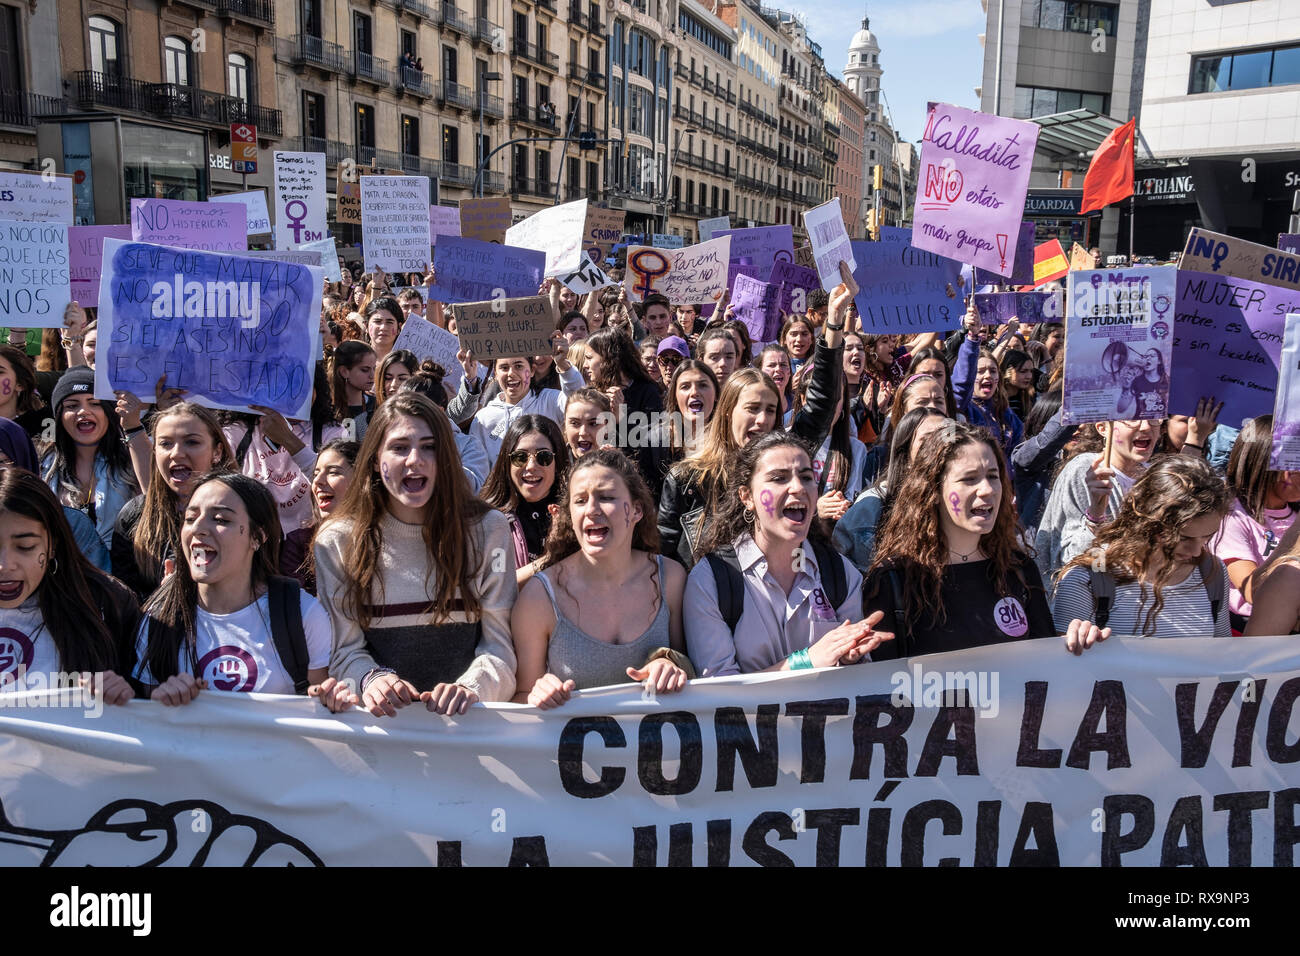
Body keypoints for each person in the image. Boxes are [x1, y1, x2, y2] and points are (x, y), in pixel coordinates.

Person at [314, 393, 517, 717]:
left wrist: (471, 688)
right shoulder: (337, 541)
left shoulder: (489, 531)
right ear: (375, 459)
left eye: (429, 446)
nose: (414, 459)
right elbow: (343, 652)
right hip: (385, 739)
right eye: (399, 447)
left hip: (470, 736)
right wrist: (371, 680)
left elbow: (501, 648)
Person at [133, 474, 351, 709]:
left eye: (220, 519)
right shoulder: (159, 620)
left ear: (257, 537)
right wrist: (162, 699)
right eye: (190, 517)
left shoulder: (302, 613)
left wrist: (331, 699)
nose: (198, 529)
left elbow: (319, 707)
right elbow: (146, 721)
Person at [685, 432, 889, 676]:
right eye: (779, 478)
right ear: (747, 497)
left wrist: (848, 659)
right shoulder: (711, 580)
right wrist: (806, 661)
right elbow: (720, 694)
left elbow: (859, 685)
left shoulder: (840, 573)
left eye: (806, 477)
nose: (798, 487)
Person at [863, 422, 1056, 658]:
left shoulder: (1019, 568)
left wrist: (1081, 643)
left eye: (993, 476)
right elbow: (880, 683)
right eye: (969, 479)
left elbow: (1047, 661)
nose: (987, 490)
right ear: (932, 491)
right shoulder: (893, 580)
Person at [511, 449, 689, 706]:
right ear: (569, 516)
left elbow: (701, 678)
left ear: (637, 510)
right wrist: (536, 695)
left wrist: (671, 663)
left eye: (606, 497)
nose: (592, 509)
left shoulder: (671, 579)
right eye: (580, 501)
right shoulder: (539, 597)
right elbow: (516, 702)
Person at [1053, 455, 1231, 642]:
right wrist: (1079, 642)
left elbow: (1222, 656)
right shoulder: (1090, 577)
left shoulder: (1212, 572)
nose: (1196, 551)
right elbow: (1065, 664)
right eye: (1184, 538)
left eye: (1207, 537)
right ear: (1148, 522)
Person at [0, 466, 139, 703]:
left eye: (25, 547)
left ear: (52, 544)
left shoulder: (106, 605)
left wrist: (124, 693)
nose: (5, 566)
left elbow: (148, 712)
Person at [112, 403, 235, 602]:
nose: (176, 453)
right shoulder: (134, 515)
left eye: (192, 442)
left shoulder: (245, 510)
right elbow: (124, 602)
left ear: (217, 451)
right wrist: (162, 601)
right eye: (166, 444)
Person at [40, 367, 150, 557]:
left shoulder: (133, 457)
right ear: (59, 415)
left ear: (108, 411)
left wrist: (133, 428)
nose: (83, 411)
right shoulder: (43, 464)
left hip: (121, 577)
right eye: (71, 406)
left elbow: (155, 495)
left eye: (94, 403)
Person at [1033, 417, 1157, 581]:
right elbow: (1072, 562)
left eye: (1154, 419)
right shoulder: (1086, 471)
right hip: (1097, 599)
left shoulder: (1157, 476)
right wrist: (1095, 517)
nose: (1146, 426)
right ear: (1102, 428)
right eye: (1132, 419)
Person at [1209, 415, 1300, 630]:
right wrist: (1293, 539)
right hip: (1250, 631)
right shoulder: (1231, 518)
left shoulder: (1294, 511)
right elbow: (1252, 591)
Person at [834, 407, 948, 574]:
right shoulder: (873, 504)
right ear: (905, 449)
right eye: (927, 440)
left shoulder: (962, 499)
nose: (939, 447)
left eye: (946, 438)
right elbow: (849, 573)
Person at [480, 415, 570, 587]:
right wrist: (550, 558)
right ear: (507, 462)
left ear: (557, 461)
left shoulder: (577, 512)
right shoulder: (490, 520)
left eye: (543, 457)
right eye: (520, 457)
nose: (530, 466)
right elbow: (497, 585)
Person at [468, 335, 582, 466]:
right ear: (495, 373)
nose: (511, 373)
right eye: (504, 368)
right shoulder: (483, 418)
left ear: (532, 370)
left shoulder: (551, 401)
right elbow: (478, 465)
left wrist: (563, 365)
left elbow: (579, 401)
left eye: (518, 366)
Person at [583, 326, 663, 482]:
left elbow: (652, 447)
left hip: (634, 482)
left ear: (608, 358)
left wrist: (621, 420)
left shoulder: (647, 391)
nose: (585, 365)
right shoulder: (592, 393)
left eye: (589, 358)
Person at [279, 439, 359, 593]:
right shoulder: (298, 543)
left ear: (361, 480)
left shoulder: (385, 537)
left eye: (333, 472)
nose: (318, 482)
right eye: (315, 474)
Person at [327, 340, 377, 444]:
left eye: (374, 368)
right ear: (344, 371)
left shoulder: (375, 404)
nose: (372, 375)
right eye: (365, 370)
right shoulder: (327, 408)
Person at [562, 387, 613, 459]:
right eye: (575, 423)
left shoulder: (622, 467)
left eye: (593, 424)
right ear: (565, 426)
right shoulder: (552, 464)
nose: (583, 432)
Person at [364, 296, 404, 363]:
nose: (383, 327)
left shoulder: (407, 363)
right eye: (377, 321)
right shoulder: (355, 361)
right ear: (366, 326)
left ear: (399, 328)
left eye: (389, 322)